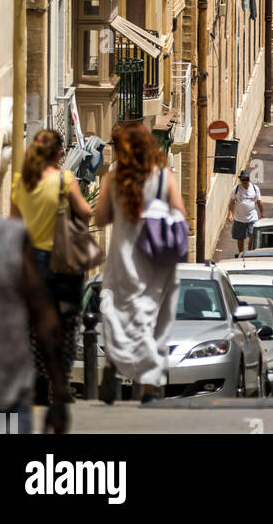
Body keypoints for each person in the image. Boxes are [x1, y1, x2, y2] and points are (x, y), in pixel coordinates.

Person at [0, 140, 70, 435]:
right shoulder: (61, 181)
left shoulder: (12, 238)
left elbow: (42, 313)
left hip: (9, 399)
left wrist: (59, 396)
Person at [93, 122, 186, 404]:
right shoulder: (163, 177)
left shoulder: (114, 178)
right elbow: (180, 214)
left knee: (120, 314)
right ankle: (148, 382)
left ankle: (114, 363)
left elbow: (99, 219)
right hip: (158, 259)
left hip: (125, 258)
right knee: (155, 318)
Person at [11, 128, 93, 406]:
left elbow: (14, 225)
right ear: (57, 153)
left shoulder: (20, 182)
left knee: (33, 325)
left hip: (30, 264)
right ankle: (60, 383)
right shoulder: (64, 179)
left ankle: (38, 382)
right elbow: (85, 211)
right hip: (61, 264)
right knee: (66, 325)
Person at [228, 169, 264, 254]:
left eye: (246, 179)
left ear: (249, 179)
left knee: (252, 235)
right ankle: (241, 253)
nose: (244, 181)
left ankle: (250, 252)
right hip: (239, 218)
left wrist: (262, 214)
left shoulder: (255, 188)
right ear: (240, 179)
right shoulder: (236, 189)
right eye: (242, 179)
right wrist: (230, 214)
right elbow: (232, 202)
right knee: (240, 238)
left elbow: (259, 202)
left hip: (252, 217)